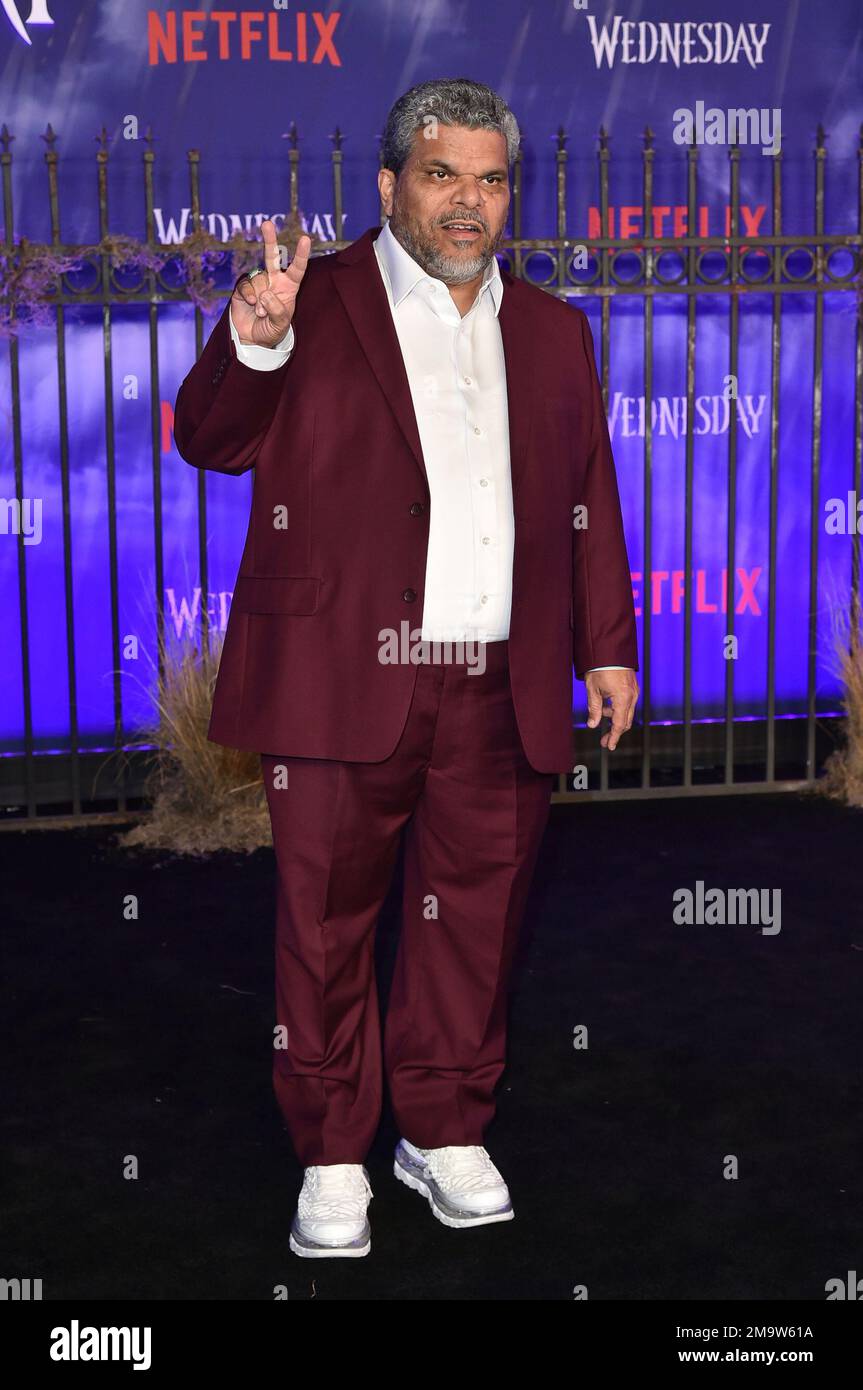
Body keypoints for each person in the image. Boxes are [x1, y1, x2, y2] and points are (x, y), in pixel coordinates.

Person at [173, 77, 639, 1259]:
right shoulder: (311, 299)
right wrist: (253, 341)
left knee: (474, 920)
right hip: (344, 674)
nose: (467, 202)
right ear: (388, 186)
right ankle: (333, 1151)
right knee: (324, 924)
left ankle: (439, 1126)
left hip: (499, 678)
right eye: (441, 176)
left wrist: (605, 644)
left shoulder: (552, 332)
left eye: (488, 180)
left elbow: (587, 499)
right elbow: (211, 439)